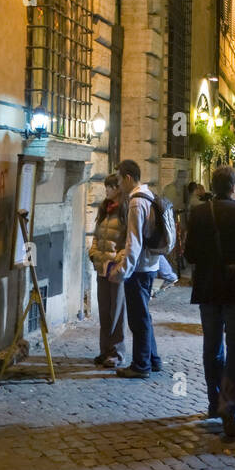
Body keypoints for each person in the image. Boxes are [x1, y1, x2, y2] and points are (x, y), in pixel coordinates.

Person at [184, 165, 235, 440]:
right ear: (234, 187)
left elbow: (190, 254)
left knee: (212, 345)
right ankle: (229, 405)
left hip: (208, 287)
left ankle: (213, 401)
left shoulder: (200, 213)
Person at [106, 159, 161, 378]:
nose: (118, 185)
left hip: (140, 268)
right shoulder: (148, 194)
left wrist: (122, 271)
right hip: (149, 265)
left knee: (138, 319)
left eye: (119, 179)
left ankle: (141, 365)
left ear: (128, 178)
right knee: (144, 315)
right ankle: (153, 359)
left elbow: (134, 242)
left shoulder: (136, 202)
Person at [88, 173, 127, 367]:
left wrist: (118, 259)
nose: (106, 190)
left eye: (110, 187)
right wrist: (93, 252)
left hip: (116, 269)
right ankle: (104, 350)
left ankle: (117, 352)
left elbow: (129, 240)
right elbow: (96, 234)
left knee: (117, 312)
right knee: (104, 311)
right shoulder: (104, 208)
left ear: (118, 188)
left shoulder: (125, 210)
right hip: (101, 267)